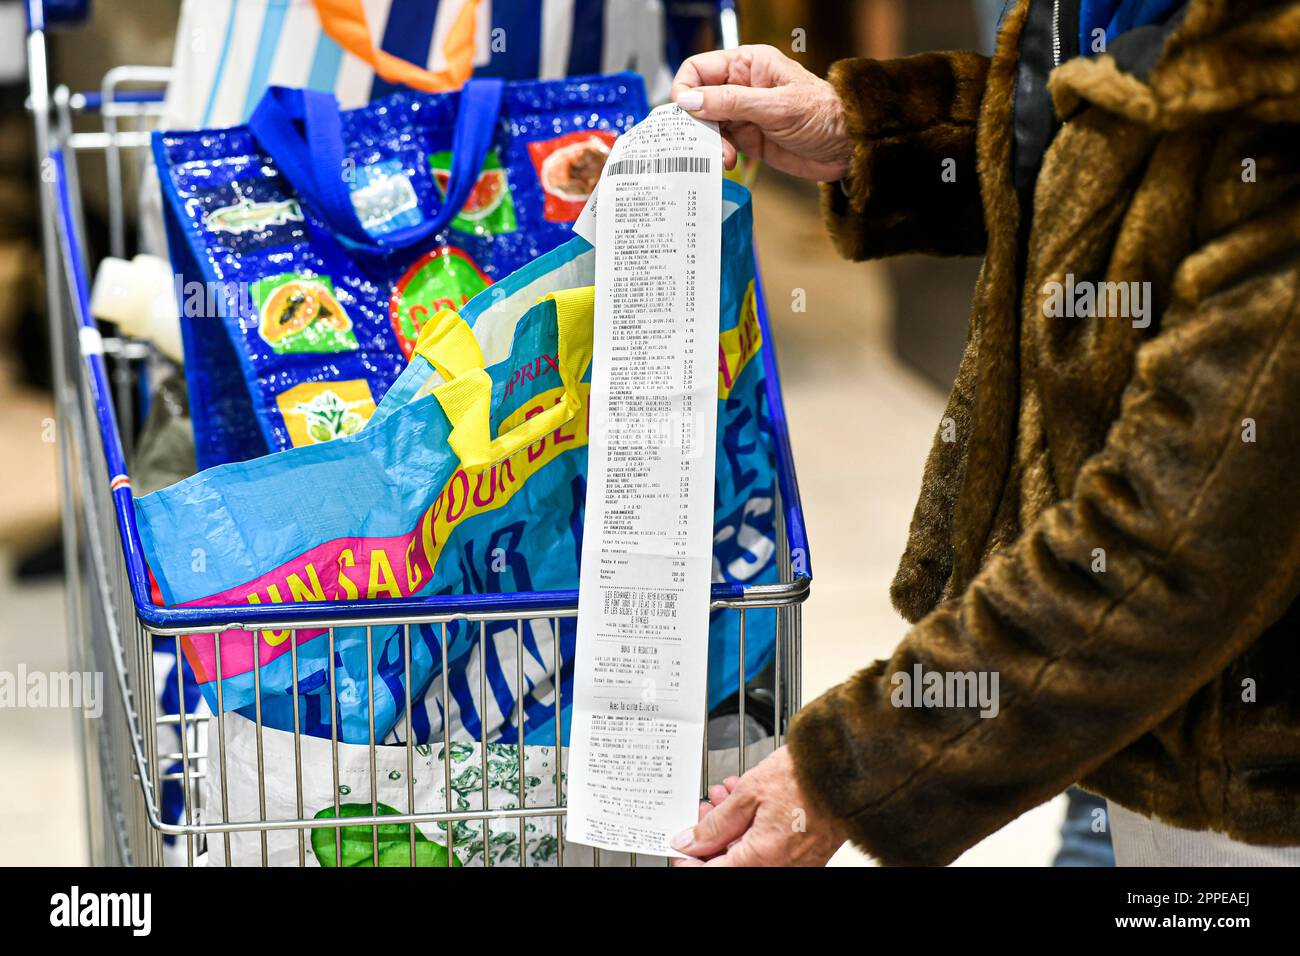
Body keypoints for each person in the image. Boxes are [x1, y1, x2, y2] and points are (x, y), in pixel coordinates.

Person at [668, 0, 1300, 867]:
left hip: (1259, 781)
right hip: (1156, 735)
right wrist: (869, 136)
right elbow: (1100, 141)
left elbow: (1173, 541)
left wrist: (848, 771)